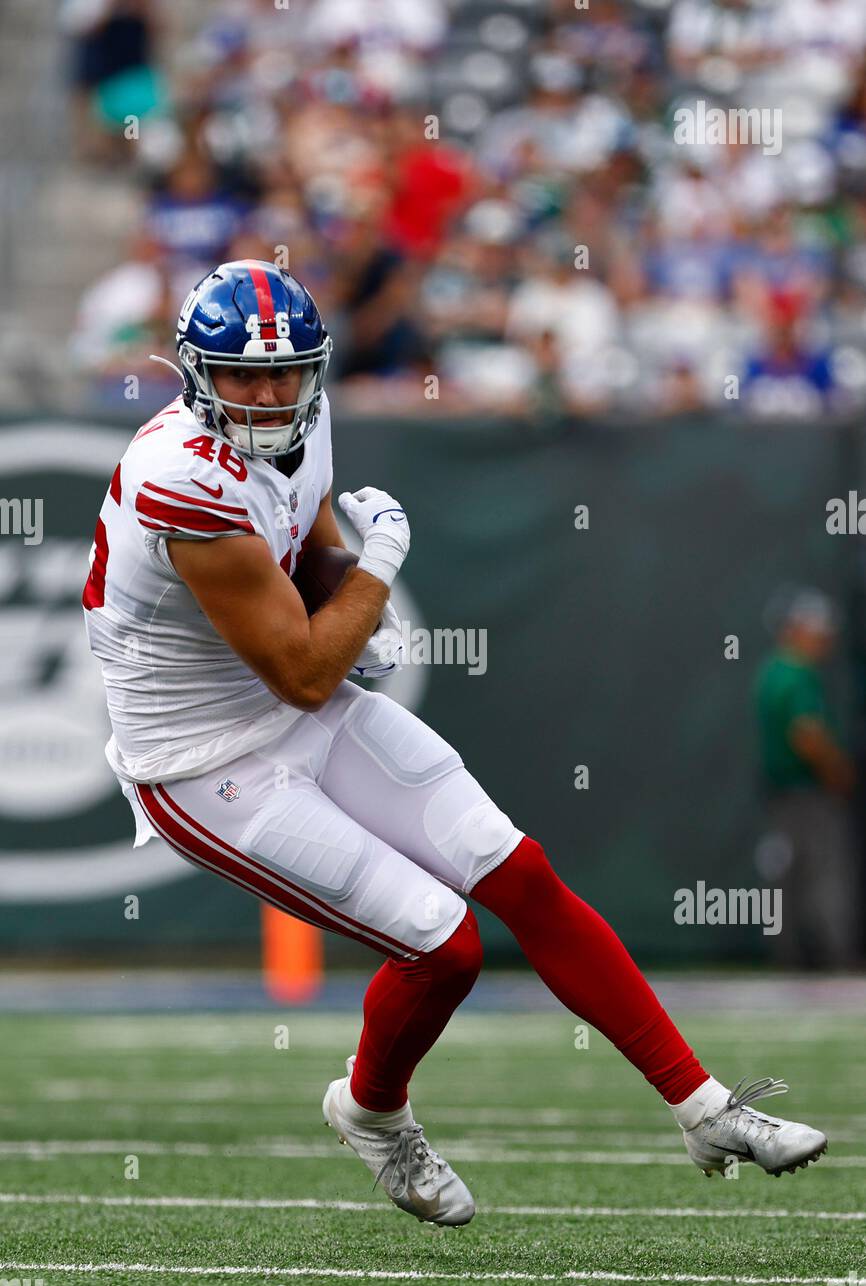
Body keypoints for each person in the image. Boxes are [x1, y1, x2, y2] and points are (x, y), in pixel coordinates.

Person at [82, 259, 827, 1226]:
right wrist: (380, 570)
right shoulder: (180, 475)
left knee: (522, 875)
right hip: (200, 760)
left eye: (285, 374)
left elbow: (299, 548)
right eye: (241, 377)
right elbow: (305, 668)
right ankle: (371, 1113)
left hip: (291, 704)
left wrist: (345, 578)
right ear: (195, 375)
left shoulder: (304, 422)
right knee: (446, 945)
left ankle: (703, 1106)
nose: (267, 397)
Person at [755, 588, 860, 968]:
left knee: (785, 874)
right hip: (809, 796)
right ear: (798, 629)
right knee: (826, 873)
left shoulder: (771, 672)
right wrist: (838, 771)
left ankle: (789, 957)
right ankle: (836, 958)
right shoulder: (798, 676)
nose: (826, 641)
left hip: (780, 796)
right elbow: (808, 733)